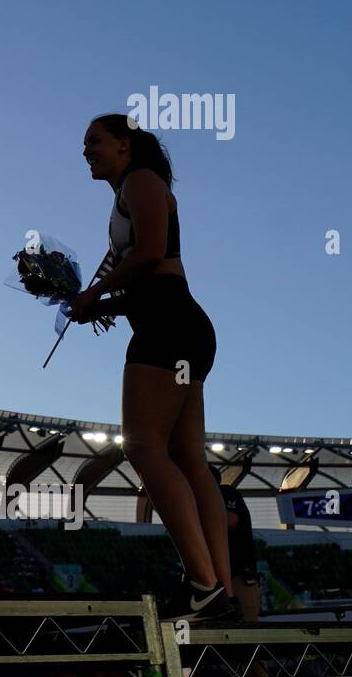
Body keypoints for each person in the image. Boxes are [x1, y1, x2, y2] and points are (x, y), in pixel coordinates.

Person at [69, 114, 235, 622]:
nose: (86, 151)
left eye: (94, 141)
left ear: (125, 144)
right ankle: (218, 591)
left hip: (167, 326)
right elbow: (154, 274)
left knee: (142, 446)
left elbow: (151, 252)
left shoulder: (139, 180)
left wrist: (95, 291)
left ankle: (201, 583)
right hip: (182, 324)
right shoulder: (133, 186)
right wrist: (105, 307)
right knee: (186, 454)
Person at [212, 467, 260, 621]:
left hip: (238, 576)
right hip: (220, 578)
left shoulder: (225, 492)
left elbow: (229, 521)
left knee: (245, 624)